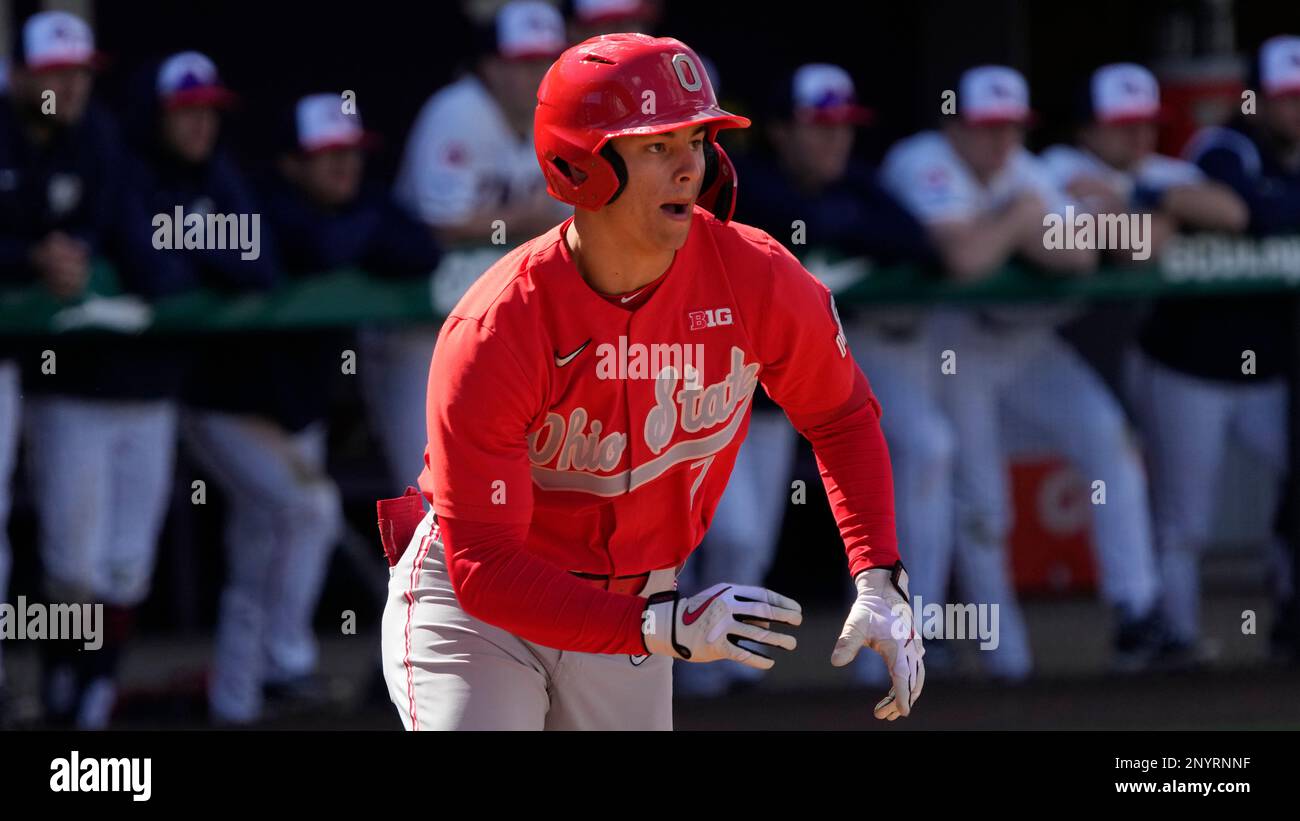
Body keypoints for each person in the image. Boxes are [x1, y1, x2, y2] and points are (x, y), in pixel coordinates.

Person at [377, 34, 923, 731]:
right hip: (479, 610)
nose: (690, 166)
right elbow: (485, 565)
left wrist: (880, 574)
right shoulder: (499, 325)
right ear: (581, 164)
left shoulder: (758, 278)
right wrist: (657, 625)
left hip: (637, 602)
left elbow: (840, 416)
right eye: (658, 145)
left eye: (696, 140)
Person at [882, 65, 1163, 681]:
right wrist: (1018, 221)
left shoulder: (1025, 170)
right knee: (984, 502)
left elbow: (1082, 255)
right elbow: (964, 258)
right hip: (950, 346)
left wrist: (1011, 225)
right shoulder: (923, 160)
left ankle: (1136, 609)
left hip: (1028, 344)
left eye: (1011, 127)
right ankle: (1003, 661)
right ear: (954, 125)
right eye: (987, 127)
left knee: (1109, 437)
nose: (1001, 141)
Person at [676, 62, 940, 697]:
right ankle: (673, 664)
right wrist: (833, 229)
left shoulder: (855, 187)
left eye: (842, 127)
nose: (833, 141)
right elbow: (791, 216)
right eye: (818, 127)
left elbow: (920, 244)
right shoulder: (740, 183)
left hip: (764, 398)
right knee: (719, 533)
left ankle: (720, 676)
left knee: (749, 547)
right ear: (781, 131)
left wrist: (839, 225)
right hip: (697, 385)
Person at [180, 94, 380, 726]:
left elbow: (416, 247)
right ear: (292, 163)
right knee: (308, 508)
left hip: (297, 415)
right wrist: (360, 235)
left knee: (262, 544)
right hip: (228, 407)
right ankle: (281, 667)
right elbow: (305, 246)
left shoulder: (358, 208)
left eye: (351, 154)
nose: (344, 167)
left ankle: (237, 698)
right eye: (326, 156)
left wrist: (361, 230)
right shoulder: (260, 202)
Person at [1039, 63, 1248, 667]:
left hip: (1039, 352)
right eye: (1121, 125)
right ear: (1087, 128)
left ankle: (1139, 618)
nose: (1139, 137)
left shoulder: (1155, 172)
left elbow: (1229, 212)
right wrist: (1161, 212)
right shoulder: (1055, 167)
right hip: (965, 342)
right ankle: (940, 650)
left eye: (1147, 123)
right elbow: (1140, 246)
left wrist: (1138, 197)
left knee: (1115, 455)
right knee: (963, 490)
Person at [1132, 36, 1300, 665]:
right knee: (1186, 523)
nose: (1296, 110)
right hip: (1188, 365)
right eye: (1285, 97)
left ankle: (1289, 615)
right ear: (1254, 98)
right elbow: (1252, 212)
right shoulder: (1222, 145)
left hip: (1267, 371)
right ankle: (1172, 641)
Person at [364, 0, 572, 493]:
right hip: (418, 328)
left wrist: (518, 220)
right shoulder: (458, 112)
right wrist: (531, 217)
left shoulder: (564, 120)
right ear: (490, 66)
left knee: (521, 492)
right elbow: (443, 222)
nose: (537, 76)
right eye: (523, 62)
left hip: (502, 335)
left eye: (548, 61)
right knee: (432, 492)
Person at [1, 10, 136, 728]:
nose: (70, 86)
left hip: (63, 370)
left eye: (79, 73)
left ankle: (66, 690)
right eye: (54, 74)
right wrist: (29, 257)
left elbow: (112, 221)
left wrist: (75, 248)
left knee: (90, 556)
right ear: (21, 74)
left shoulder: (96, 136)